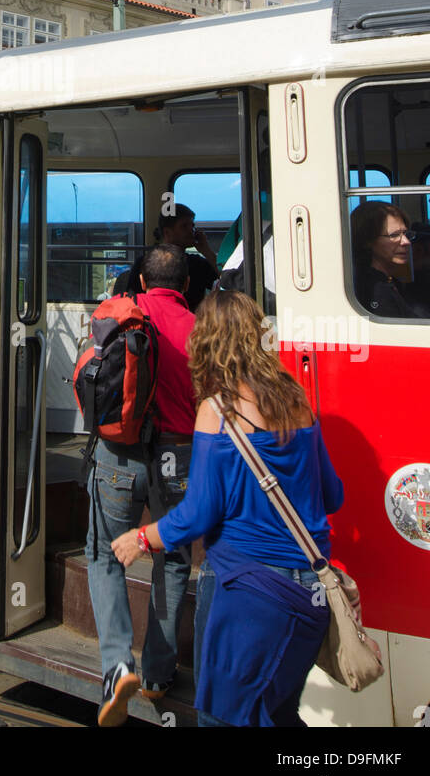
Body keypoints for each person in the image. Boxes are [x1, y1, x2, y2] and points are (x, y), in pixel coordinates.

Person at [112, 289, 344, 728]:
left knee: (221, 717)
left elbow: (199, 512)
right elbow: (333, 495)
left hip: (249, 592)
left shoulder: (217, 411)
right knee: (276, 712)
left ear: (208, 342)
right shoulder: (296, 399)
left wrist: (143, 538)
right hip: (312, 592)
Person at [86, 244, 196, 726]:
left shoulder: (123, 313)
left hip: (118, 455)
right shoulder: (201, 328)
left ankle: (117, 667)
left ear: (143, 281)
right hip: (179, 457)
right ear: (186, 286)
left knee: (105, 553)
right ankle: (156, 673)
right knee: (172, 559)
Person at [113, 202, 217, 312]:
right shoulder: (144, 264)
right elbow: (132, 302)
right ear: (167, 232)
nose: (191, 230)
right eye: (184, 226)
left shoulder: (198, 264)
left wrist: (206, 251)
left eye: (192, 225)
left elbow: (224, 280)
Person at [351, 201, 416, 317]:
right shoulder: (374, 290)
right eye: (394, 235)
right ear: (368, 241)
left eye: (405, 234)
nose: (406, 242)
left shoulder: (390, 281)